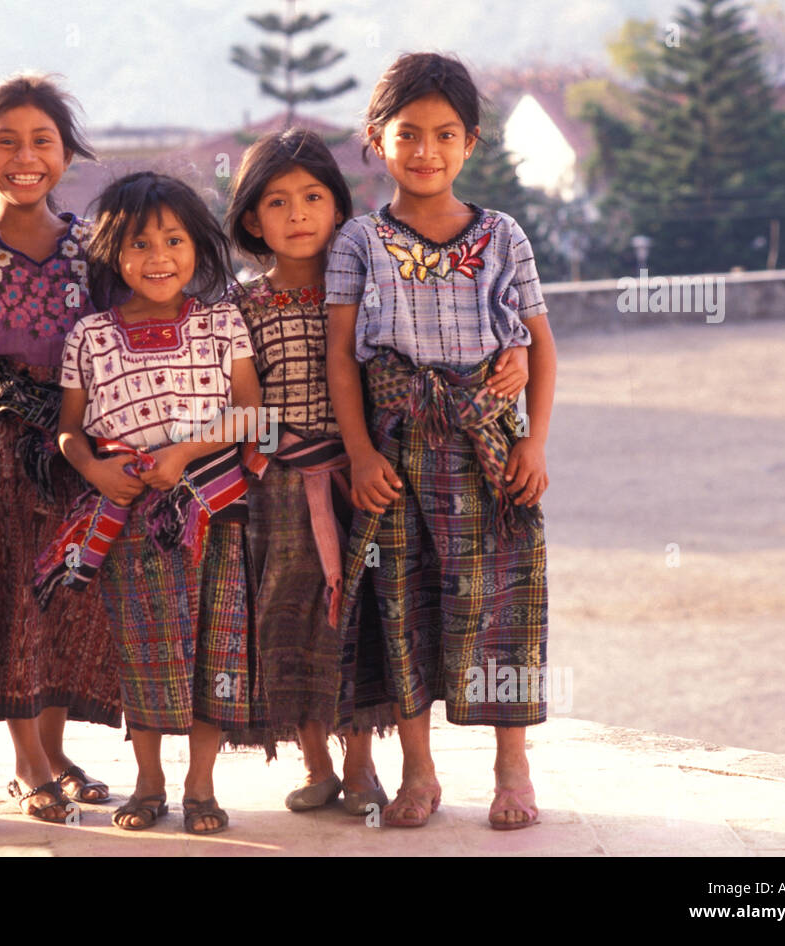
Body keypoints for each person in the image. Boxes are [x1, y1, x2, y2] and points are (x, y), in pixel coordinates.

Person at [325, 51, 555, 830]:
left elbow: (541, 345)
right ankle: (417, 772)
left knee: (500, 606)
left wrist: (535, 445)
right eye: (409, 133)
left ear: (471, 144)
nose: (426, 151)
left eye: (445, 135)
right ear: (377, 140)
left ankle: (512, 769)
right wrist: (359, 453)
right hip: (393, 451)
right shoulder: (359, 242)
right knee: (401, 604)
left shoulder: (503, 236)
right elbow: (340, 355)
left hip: (489, 450)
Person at [38, 172, 269, 835]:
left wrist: (184, 454)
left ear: (197, 245)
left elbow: (252, 414)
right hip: (131, 517)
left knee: (214, 648)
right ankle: (149, 783)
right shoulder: (90, 336)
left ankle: (201, 786)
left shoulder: (222, 322)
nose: (160, 257)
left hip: (212, 514)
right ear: (113, 252)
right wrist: (94, 469)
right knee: (144, 651)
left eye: (174, 240)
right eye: (140, 244)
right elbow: (68, 428)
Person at [0, 74, 122, 823]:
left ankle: (53, 750)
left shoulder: (93, 247)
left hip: (75, 447)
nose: (25, 157)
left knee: (68, 598)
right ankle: (25, 762)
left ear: (66, 153)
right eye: (6, 142)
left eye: (42, 141)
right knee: (12, 596)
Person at [223, 128, 394, 815]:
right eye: (277, 202)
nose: (297, 214)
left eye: (313, 197)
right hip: (278, 492)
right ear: (251, 220)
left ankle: (362, 765)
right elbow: (241, 405)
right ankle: (316, 763)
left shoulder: (364, 293)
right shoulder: (240, 306)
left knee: (357, 620)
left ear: (337, 207)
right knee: (288, 621)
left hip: (358, 484)